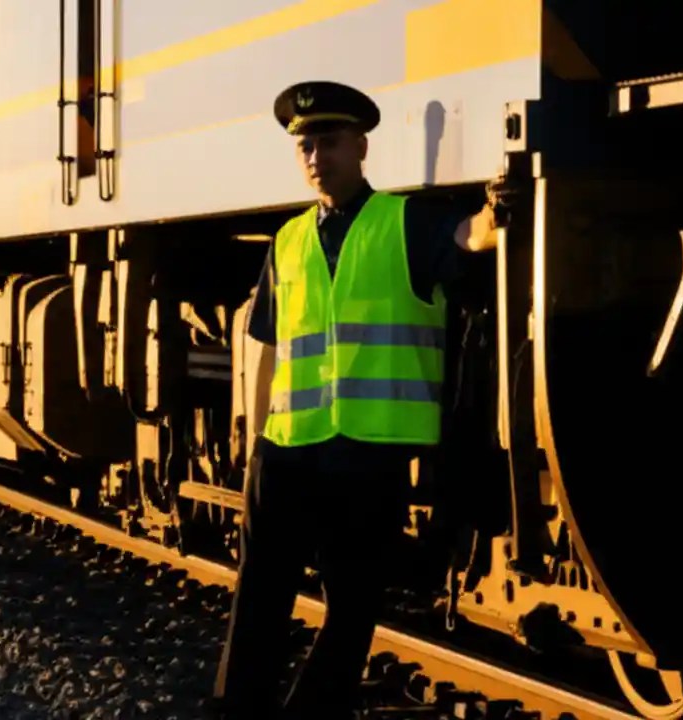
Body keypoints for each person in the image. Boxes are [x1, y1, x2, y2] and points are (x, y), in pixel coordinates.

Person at [211, 81, 504, 718]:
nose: (317, 155)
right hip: (285, 450)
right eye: (305, 145)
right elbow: (264, 343)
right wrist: (249, 431)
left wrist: (495, 215)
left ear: (361, 146)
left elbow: (468, 237)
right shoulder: (288, 240)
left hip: (367, 451)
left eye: (330, 142)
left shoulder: (404, 221)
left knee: (352, 609)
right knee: (258, 596)